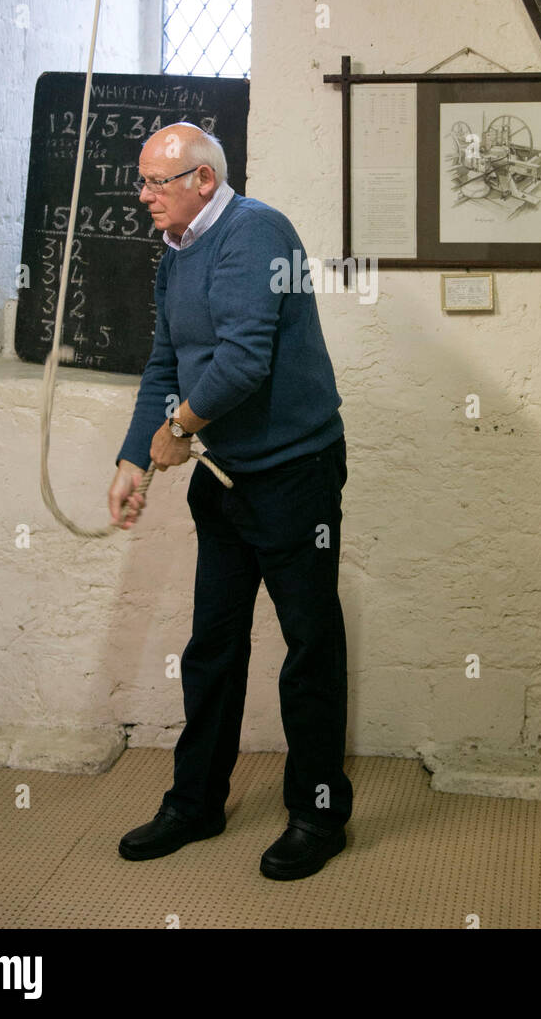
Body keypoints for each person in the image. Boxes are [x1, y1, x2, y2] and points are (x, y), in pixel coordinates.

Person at [108, 121, 352, 880]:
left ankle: (317, 815)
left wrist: (179, 429)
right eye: (144, 181)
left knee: (308, 646)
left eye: (157, 182)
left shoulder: (258, 234)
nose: (143, 196)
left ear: (203, 182)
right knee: (213, 646)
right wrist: (131, 453)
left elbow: (246, 358)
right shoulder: (177, 255)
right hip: (225, 482)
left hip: (293, 475)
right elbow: (164, 362)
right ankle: (195, 803)